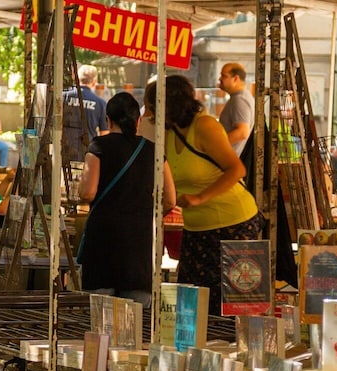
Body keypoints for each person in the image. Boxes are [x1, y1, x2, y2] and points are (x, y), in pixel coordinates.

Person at [146, 75, 262, 316]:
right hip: (197, 229)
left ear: (168, 106)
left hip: (233, 223)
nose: (148, 114)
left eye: (151, 107)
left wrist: (200, 198)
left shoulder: (205, 126)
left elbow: (237, 169)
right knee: (192, 303)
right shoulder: (168, 133)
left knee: (234, 303)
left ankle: (235, 351)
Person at [78, 92, 173, 308]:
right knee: (137, 321)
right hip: (139, 243)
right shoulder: (154, 151)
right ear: (138, 121)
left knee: (101, 322)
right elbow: (170, 199)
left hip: (103, 240)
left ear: (108, 120)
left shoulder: (99, 146)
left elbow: (88, 193)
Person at [62, 65, 108, 173]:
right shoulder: (100, 103)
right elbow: (104, 134)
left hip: (63, 154)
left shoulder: (63, 97)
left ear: (75, 77)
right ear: (94, 81)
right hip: (87, 156)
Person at [215, 62, 254, 156]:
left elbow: (242, 132)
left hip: (230, 158)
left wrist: (216, 145)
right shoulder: (239, 98)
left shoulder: (239, 100)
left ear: (235, 79)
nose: (220, 79)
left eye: (224, 76)